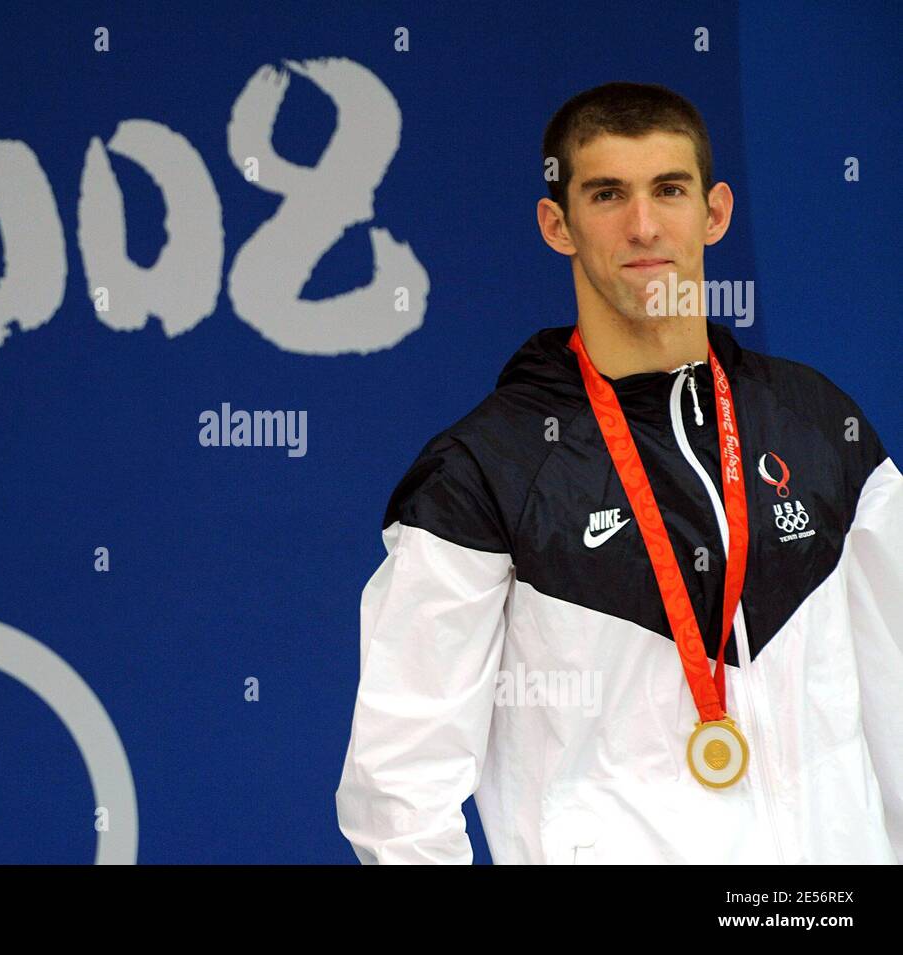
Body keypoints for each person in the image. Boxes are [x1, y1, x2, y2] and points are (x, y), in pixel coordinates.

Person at [334, 81, 903, 864]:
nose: (643, 225)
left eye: (669, 189)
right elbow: (397, 792)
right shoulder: (486, 470)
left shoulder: (817, 422)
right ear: (557, 225)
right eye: (607, 194)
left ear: (715, 212)